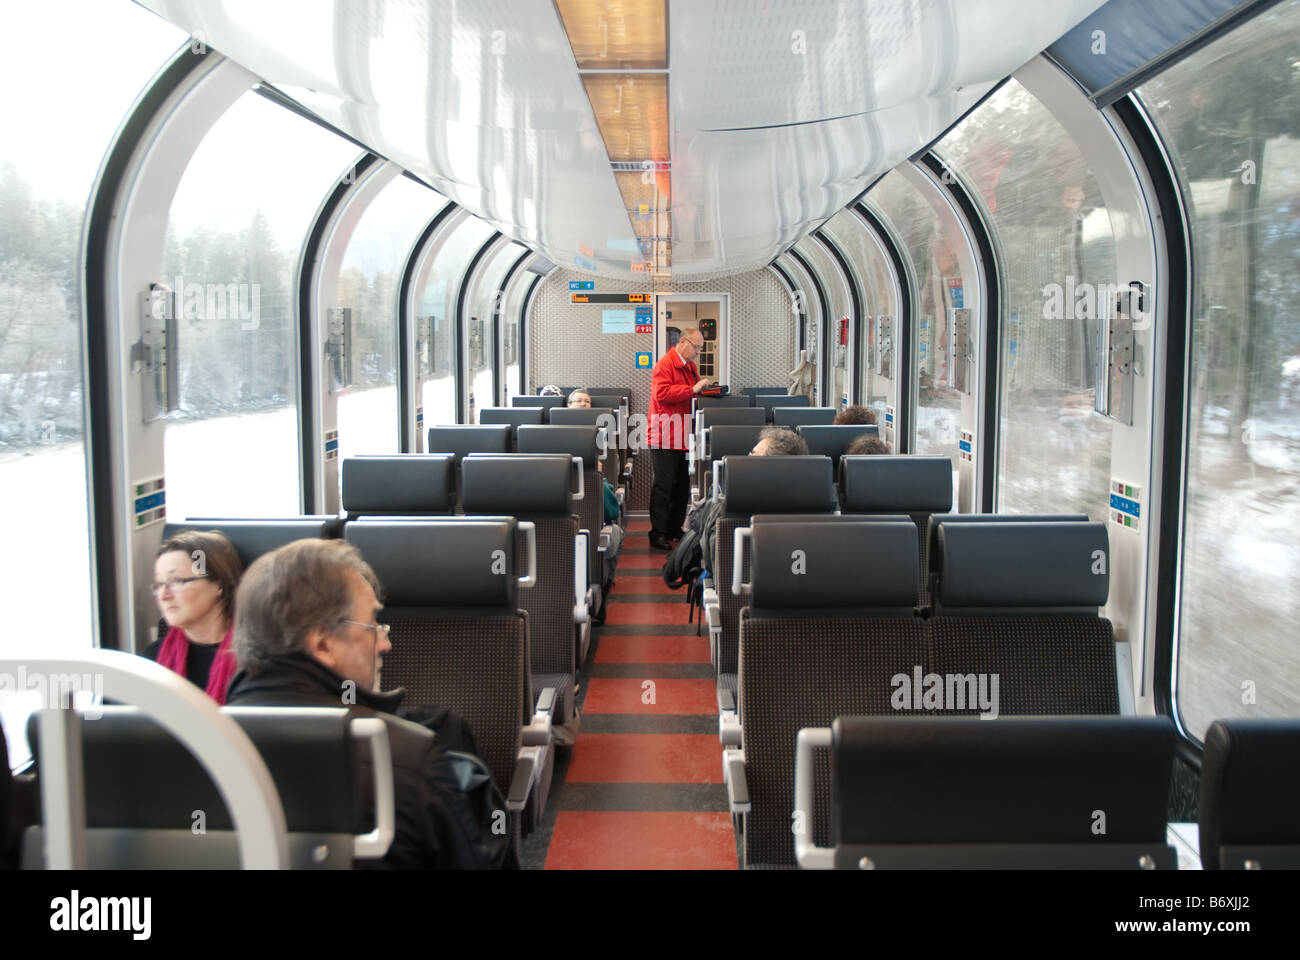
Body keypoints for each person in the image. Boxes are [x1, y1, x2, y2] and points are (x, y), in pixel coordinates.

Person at [225, 538, 506, 869]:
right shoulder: (407, 758)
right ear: (324, 644)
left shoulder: (196, 747)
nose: (384, 642)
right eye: (372, 624)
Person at [145, 531, 242, 704]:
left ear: (219, 584)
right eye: (159, 585)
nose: (164, 595)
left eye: (177, 581)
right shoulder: (154, 658)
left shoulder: (256, 659)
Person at [648, 327, 712, 550]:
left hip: (683, 434)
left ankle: (675, 528)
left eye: (700, 348)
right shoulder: (664, 365)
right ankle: (658, 534)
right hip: (664, 435)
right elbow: (662, 394)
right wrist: (692, 388)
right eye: (696, 347)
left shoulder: (690, 366)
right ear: (683, 342)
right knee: (664, 487)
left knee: (681, 485)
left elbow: (691, 392)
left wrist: (705, 390)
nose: (698, 352)